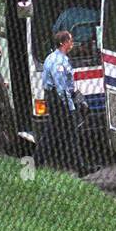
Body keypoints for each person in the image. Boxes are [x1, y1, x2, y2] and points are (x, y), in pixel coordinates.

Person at [33, 30, 97, 177]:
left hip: (56, 98)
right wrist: (71, 107)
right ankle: (80, 167)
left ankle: (38, 163)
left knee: (55, 133)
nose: (72, 43)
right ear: (63, 43)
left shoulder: (57, 57)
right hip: (59, 100)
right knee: (67, 133)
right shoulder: (58, 61)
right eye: (70, 40)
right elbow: (61, 87)